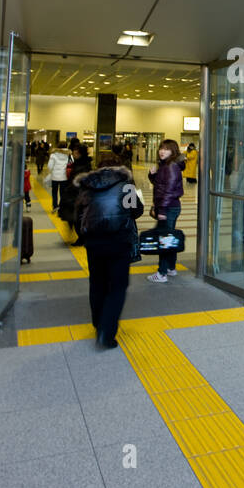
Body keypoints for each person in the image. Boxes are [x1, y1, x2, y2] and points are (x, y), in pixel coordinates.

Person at [75, 152, 144, 349]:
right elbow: (135, 211)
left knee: (97, 283)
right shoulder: (126, 184)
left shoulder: (88, 185)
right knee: (118, 286)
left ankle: (98, 324)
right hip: (119, 240)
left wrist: (84, 236)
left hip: (94, 243)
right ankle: (107, 331)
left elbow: (78, 214)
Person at [147, 139, 185, 283]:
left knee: (164, 240)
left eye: (166, 149)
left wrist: (162, 210)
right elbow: (161, 185)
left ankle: (162, 273)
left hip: (168, 207)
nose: (162, 151)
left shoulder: (170, 166)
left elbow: (168, 191)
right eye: (161, 148)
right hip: (170, 206)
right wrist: (152, 175)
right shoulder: (165, 165)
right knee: (168, 237)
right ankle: (170, 267)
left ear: (173, 151)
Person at [46, 142, 72, 211]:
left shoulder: (53, 155)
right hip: (64, 177)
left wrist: (52, 171)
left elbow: (50, 166)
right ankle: (61, 206)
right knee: (62, 192)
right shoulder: (69, 155)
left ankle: (55, 206)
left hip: (55, 177)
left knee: (54, 192)